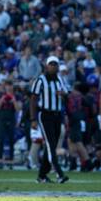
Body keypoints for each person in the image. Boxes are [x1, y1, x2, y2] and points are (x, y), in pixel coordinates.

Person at [31, 55, 70, 184]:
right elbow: (33, 100)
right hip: (45, 115)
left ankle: (42, 175)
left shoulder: (60, 79)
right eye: (51, 64)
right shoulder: (40, 80)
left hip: (57, 115)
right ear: (46, 66)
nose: (53, 67)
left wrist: (63, 95)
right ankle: (59, 173)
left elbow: (67, 96)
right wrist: (33, 119)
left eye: (55, 64)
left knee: (52, 145)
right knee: (50, 145)